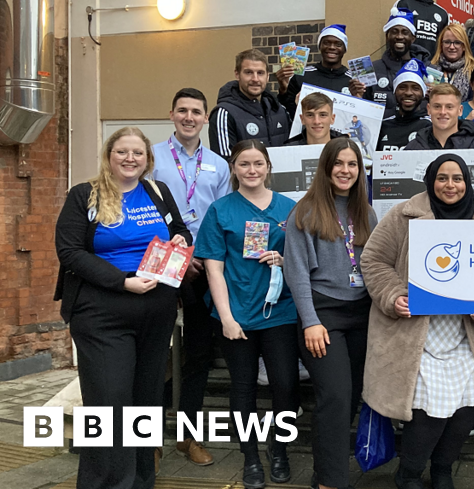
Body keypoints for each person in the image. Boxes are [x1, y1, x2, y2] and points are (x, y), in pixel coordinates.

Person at [55, 126, 191, 489]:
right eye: (122, 152)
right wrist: (122, 281)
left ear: (148, 159)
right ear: (108, 156)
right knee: (109, 402)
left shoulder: (158, 192)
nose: (130, 159)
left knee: (146, 400)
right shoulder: (84, 195)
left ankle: (141, 480)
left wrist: (180, 239)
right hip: (102, 310)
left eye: (138, 153)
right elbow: (70, 252)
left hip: (156, 309)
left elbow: (180, 230)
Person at [360, 154, 474, 489]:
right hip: (416, 334)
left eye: (458, 178)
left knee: (464, 411)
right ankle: (409, 474)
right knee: (427, 414)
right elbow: (373, 259)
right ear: (431, 181)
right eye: (442, 178)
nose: (450, 185)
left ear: (467, 183)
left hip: (462, 334)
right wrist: (393, 295)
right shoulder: (403, 214)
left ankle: (443, 470)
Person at [195, 140, 299, 489]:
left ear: (268, 167)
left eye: (258, 163)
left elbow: (302, 259)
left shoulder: (290, 209)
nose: (251, 170)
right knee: (243, 388)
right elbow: (213, 268)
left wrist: (283, 260)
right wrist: (226, 318)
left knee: (286, 384)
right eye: (244, 164)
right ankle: (250, 456)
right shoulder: (220, 210)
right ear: (234, 169)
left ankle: (279, 448)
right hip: (236, 312)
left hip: (279, 310)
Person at [284, 138, 377, 489]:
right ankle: (330, 482)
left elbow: (377, 264)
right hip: (323, 315)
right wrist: (310, 321)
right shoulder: (305, 212)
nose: (345, 170)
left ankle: (325, 470)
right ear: (325, 168)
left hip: (362, 312)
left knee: (349, 397)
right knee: (335, 396)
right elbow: (296, 272)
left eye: (352, 164)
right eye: (338, 163)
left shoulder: (366, 212)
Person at [151, 89, 231, 468]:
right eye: (182, 110)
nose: (188, 117)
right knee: (153, 354)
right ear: (171, 114)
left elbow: (222, 215)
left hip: (203, 267)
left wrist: (201, 256)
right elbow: (143, 213)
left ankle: (188, 437)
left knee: (198, 355)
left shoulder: (218, 164)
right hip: (162, 266)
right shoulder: (152, 157)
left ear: (205, 118)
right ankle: (148, 440)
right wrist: (179, 257)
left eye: (196, 111)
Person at [209, 49, 291, 157]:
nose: (255, 79)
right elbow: (224, 161)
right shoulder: (224, 113)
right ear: (237, 74)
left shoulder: (279, 110)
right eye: (248, 72)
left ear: (267, 76)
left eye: (260, 73)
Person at [349, 10, 431, 116]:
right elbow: (360, 110)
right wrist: (356, 96)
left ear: (413, 38)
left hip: (419, 126)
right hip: (381, 126)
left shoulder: (429, 70)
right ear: (387, 36)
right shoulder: (369, 68)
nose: (399, 36)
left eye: (405, 32)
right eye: (394, 32)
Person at [276, 24, 353, 117]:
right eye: (326, 43)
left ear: (345, 49)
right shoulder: (302, 76)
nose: (332, 47)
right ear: (319, 46)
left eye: (338, 44)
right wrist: (283, 90)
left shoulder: (353, 81)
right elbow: (286, 113)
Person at [407, 84, 474, 150]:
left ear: (460, 110)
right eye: (437, 106)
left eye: (449, 107)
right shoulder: (413, 148)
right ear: (429, 109)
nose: (443, 112)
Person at [377, 59, 432, 151]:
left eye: (415, 88)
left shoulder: (431, 126)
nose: (408, 93)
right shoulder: (382, 125)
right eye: (402, 87)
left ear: (423, 94)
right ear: (394, 92)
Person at [431, 23, 474, 102]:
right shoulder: (432, 68)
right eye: (447, 42)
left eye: (457, 42)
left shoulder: (473, 72)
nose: (452, 47)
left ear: (464, 46)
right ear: (441, 45)